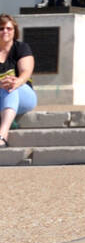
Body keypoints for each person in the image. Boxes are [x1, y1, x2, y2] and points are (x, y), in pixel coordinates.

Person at [0, 17, 37, 148]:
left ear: (14, 31)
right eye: (1, 28)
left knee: (10, 88)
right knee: (6, 88)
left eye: (9, 28)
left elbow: (26, 72)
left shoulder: (21, 47)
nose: (5, 31)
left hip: (24, 95)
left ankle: (3, 134)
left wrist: (16, 82)